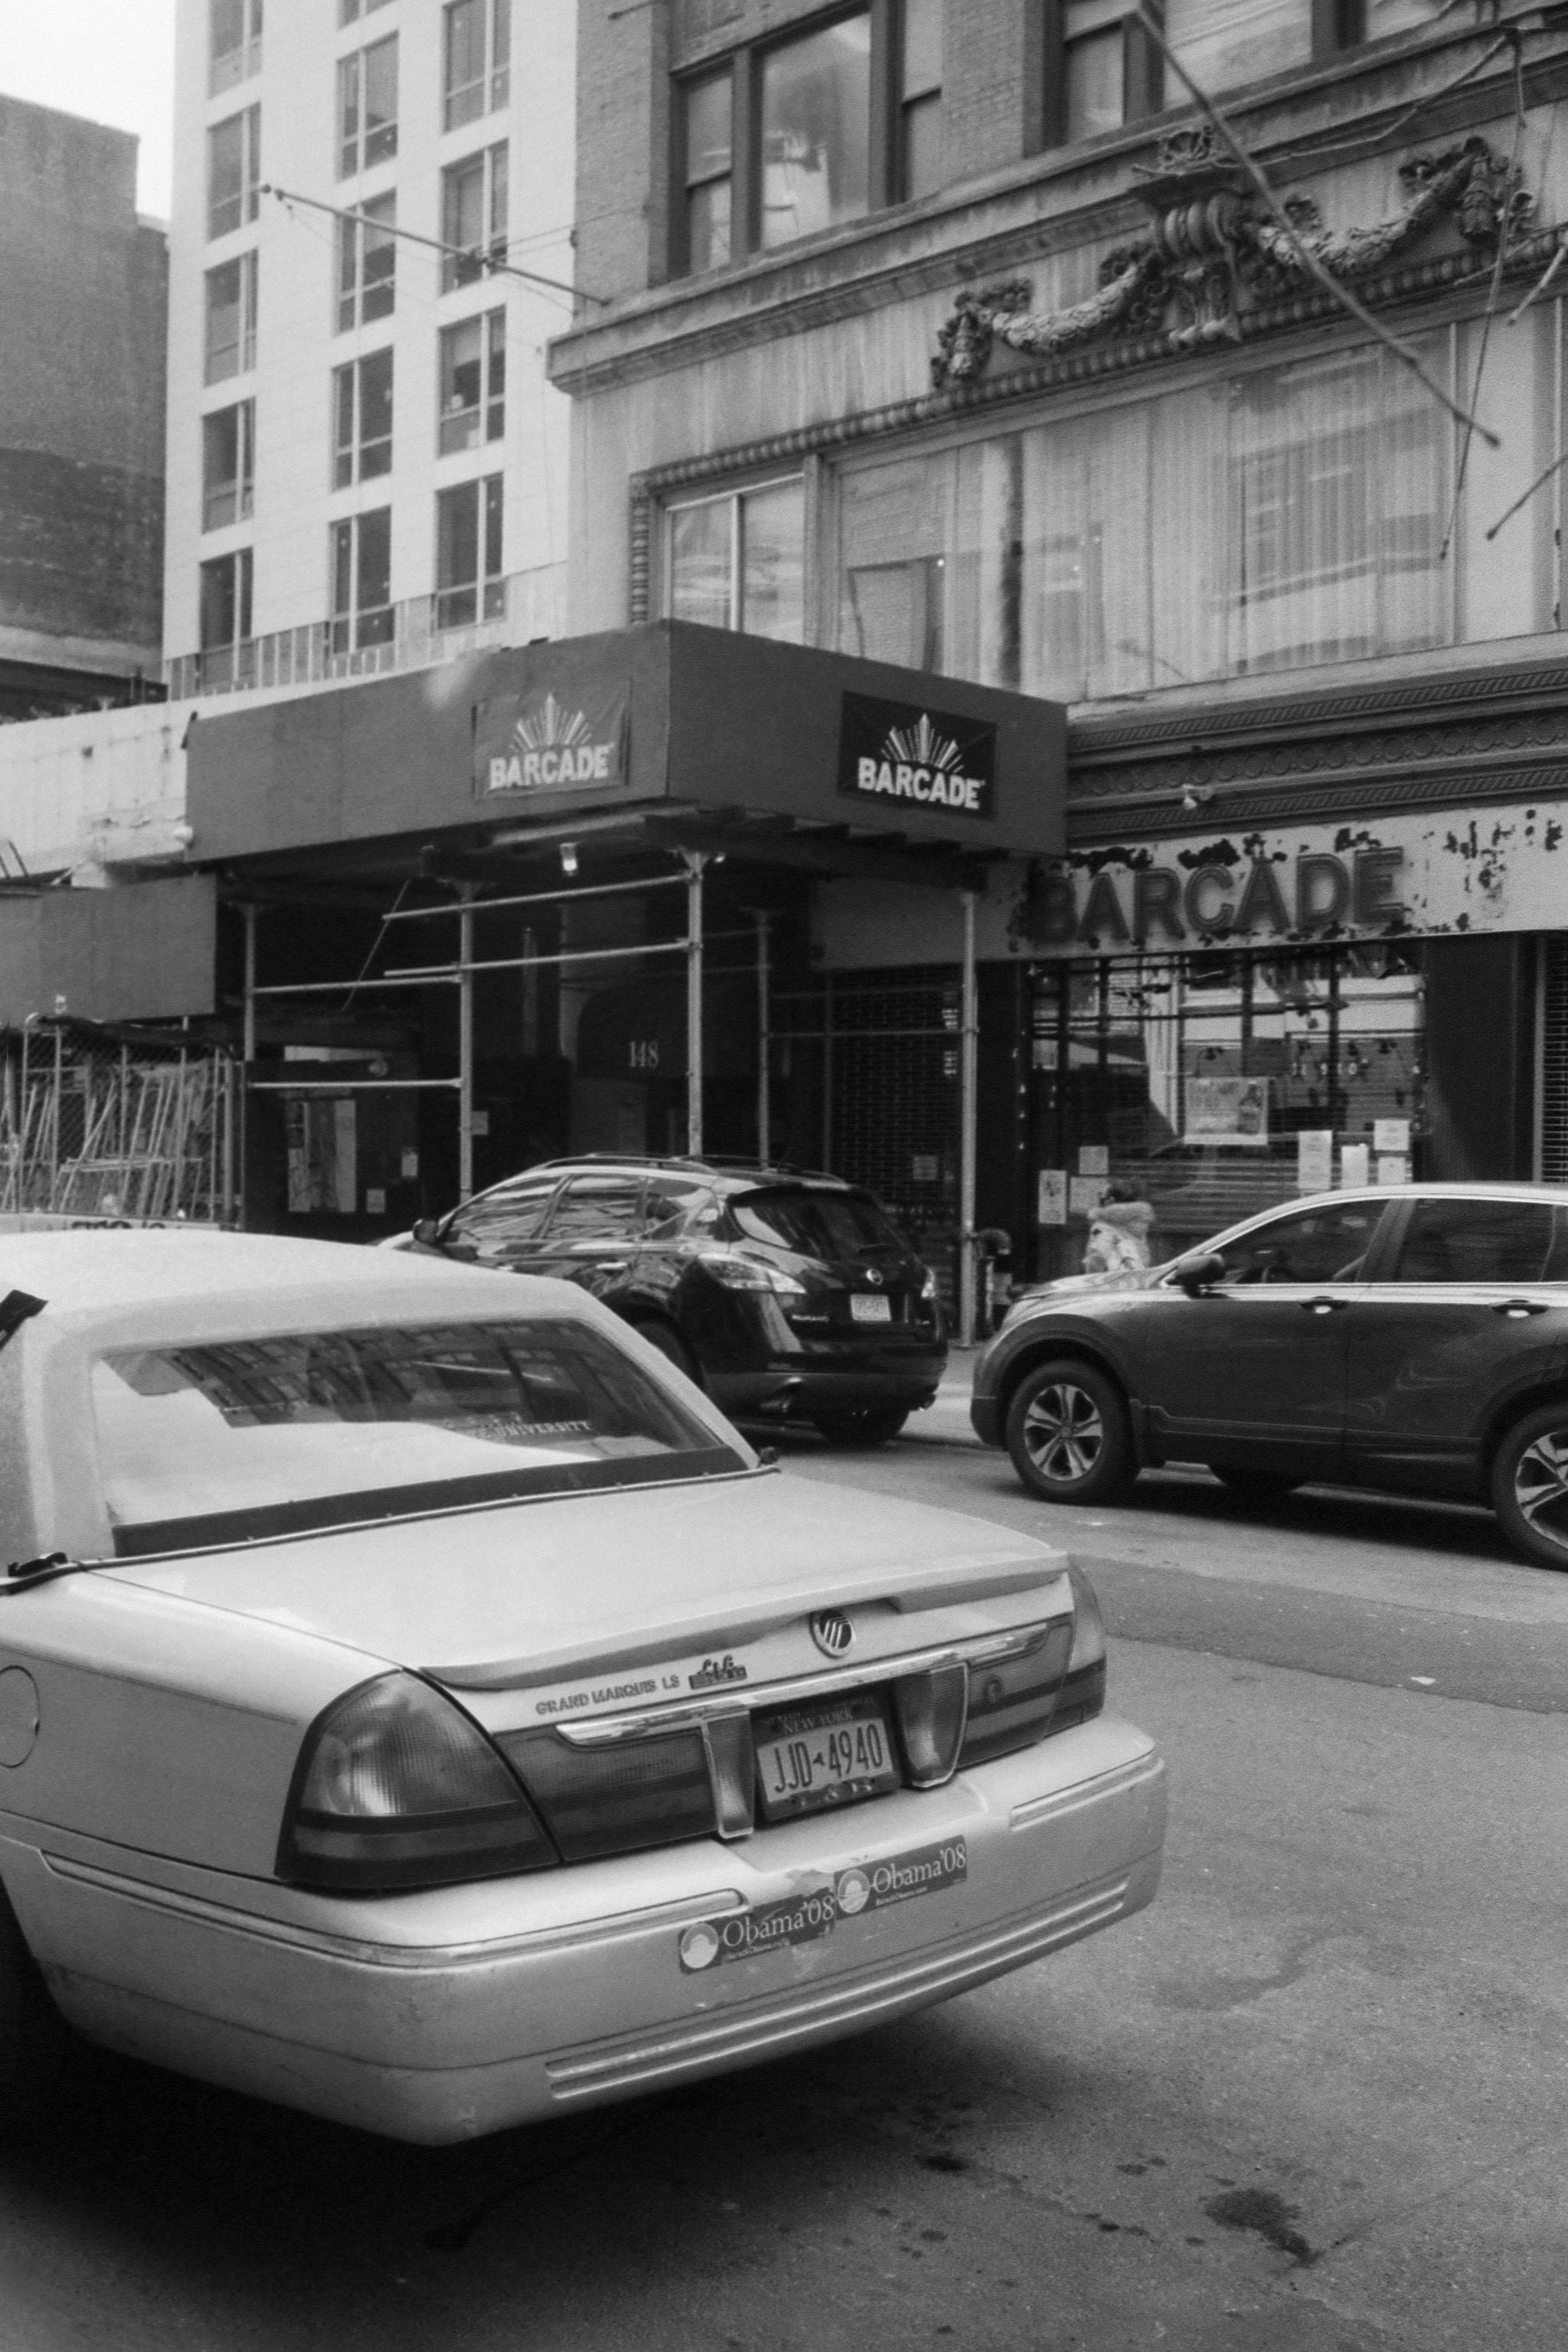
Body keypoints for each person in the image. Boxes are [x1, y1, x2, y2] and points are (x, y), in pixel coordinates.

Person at [1083, 1187, 1155, 1279]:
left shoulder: (1102, 1225)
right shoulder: (1138, 1221)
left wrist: (1091, 1279)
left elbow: (1097, 1256)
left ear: (1111, 1200)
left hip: (1113, 1283)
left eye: (1103, 1197)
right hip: (1140, 1278)